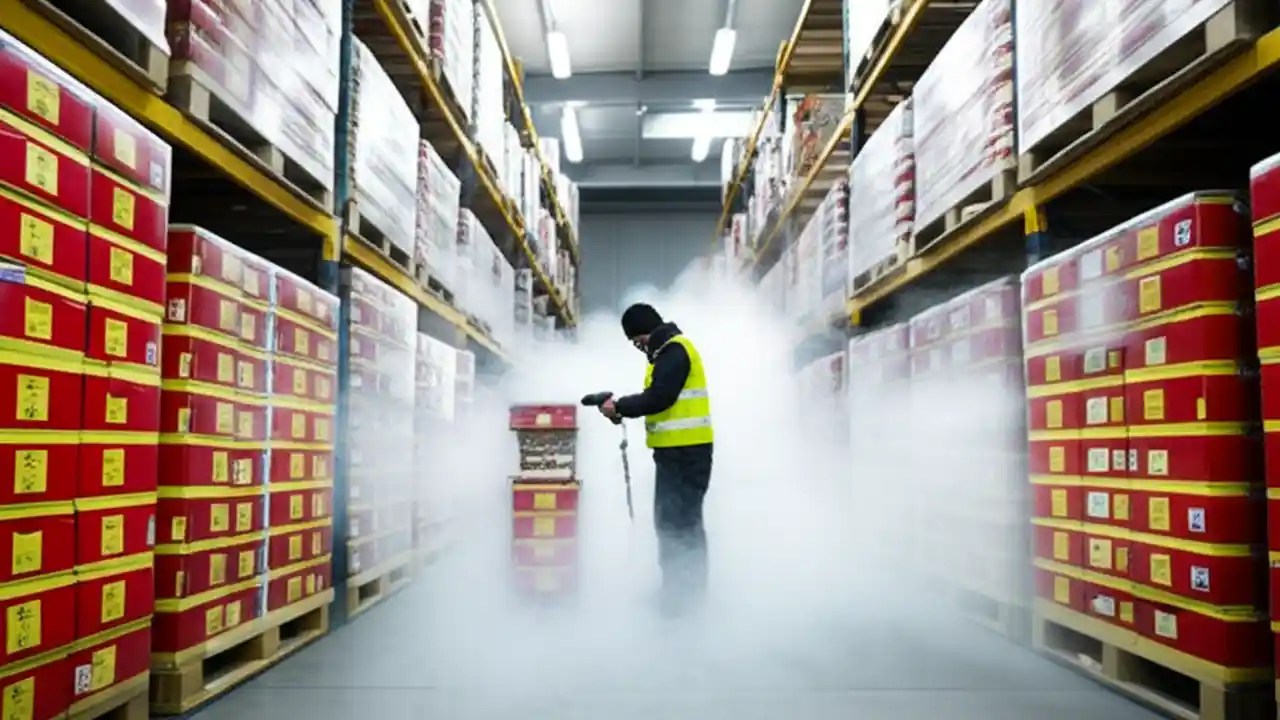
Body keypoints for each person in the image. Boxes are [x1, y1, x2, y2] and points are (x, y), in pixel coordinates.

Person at [598, 303, 713, 616]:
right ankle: (676, 593)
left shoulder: (675, 351)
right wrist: (618, 410)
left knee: (682, 526)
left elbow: (660, 398)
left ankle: (685, 601)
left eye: (638, 341)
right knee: (670, 524)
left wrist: (620, 406)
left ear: (646, 331)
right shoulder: (664, 353)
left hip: (687, 456)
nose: (639, 348)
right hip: (676, 455)